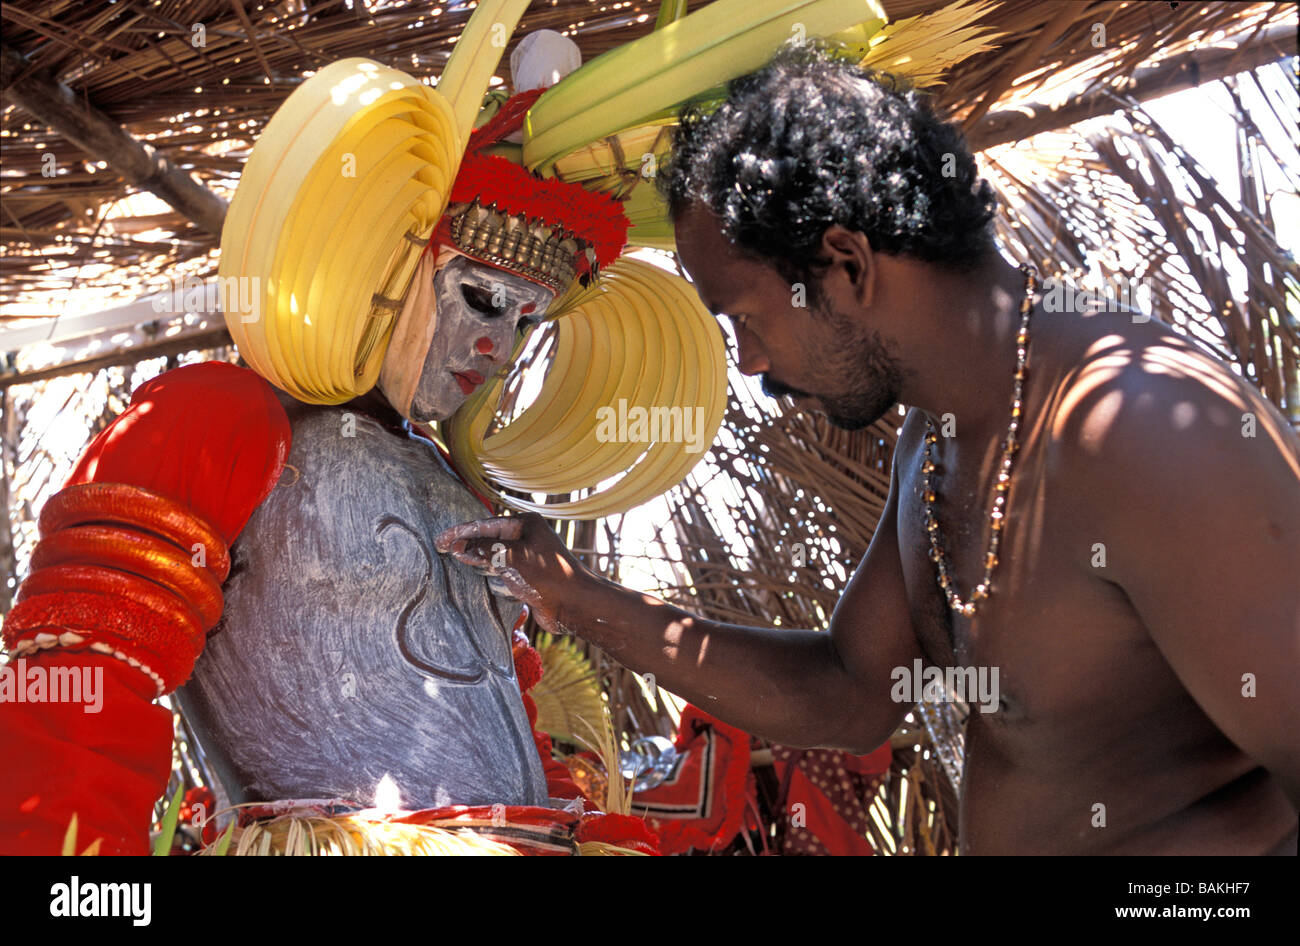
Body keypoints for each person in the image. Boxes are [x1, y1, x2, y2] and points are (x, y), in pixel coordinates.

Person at [436, 46, 1300, 855]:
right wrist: (571, 592)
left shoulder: (1144, 433)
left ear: (845, 263)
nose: (751, 362)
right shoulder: (943, 429)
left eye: (745, 314)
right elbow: (850, 692)